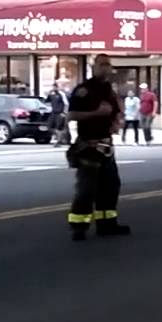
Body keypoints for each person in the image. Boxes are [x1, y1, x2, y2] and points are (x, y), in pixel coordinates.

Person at [66, 54, 131, 240]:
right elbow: (71, 116)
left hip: (106, 145)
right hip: (89, 146)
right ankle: (79, 227)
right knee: (87, 189)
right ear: (93, 67)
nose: (105, 68)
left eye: (108, 65)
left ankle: (107, 224)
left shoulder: (109, 91)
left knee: (110, 186)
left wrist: (117, 121)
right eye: (102, 65)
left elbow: (117, 112)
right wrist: (96, 113)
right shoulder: (84, 90)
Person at [45, 83, 69, 148]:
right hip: (53, 113)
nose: (54, 88)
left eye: (55, 87)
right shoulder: (52, 94)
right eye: (53, 87)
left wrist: (64, 112)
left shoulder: (61, 94)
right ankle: (60, 137)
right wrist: (48, 94)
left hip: (60, 113)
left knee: (59, 127)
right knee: (49, 127)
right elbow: (46, 101)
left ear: (58, 87)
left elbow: (66, 104)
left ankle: (58, 141)